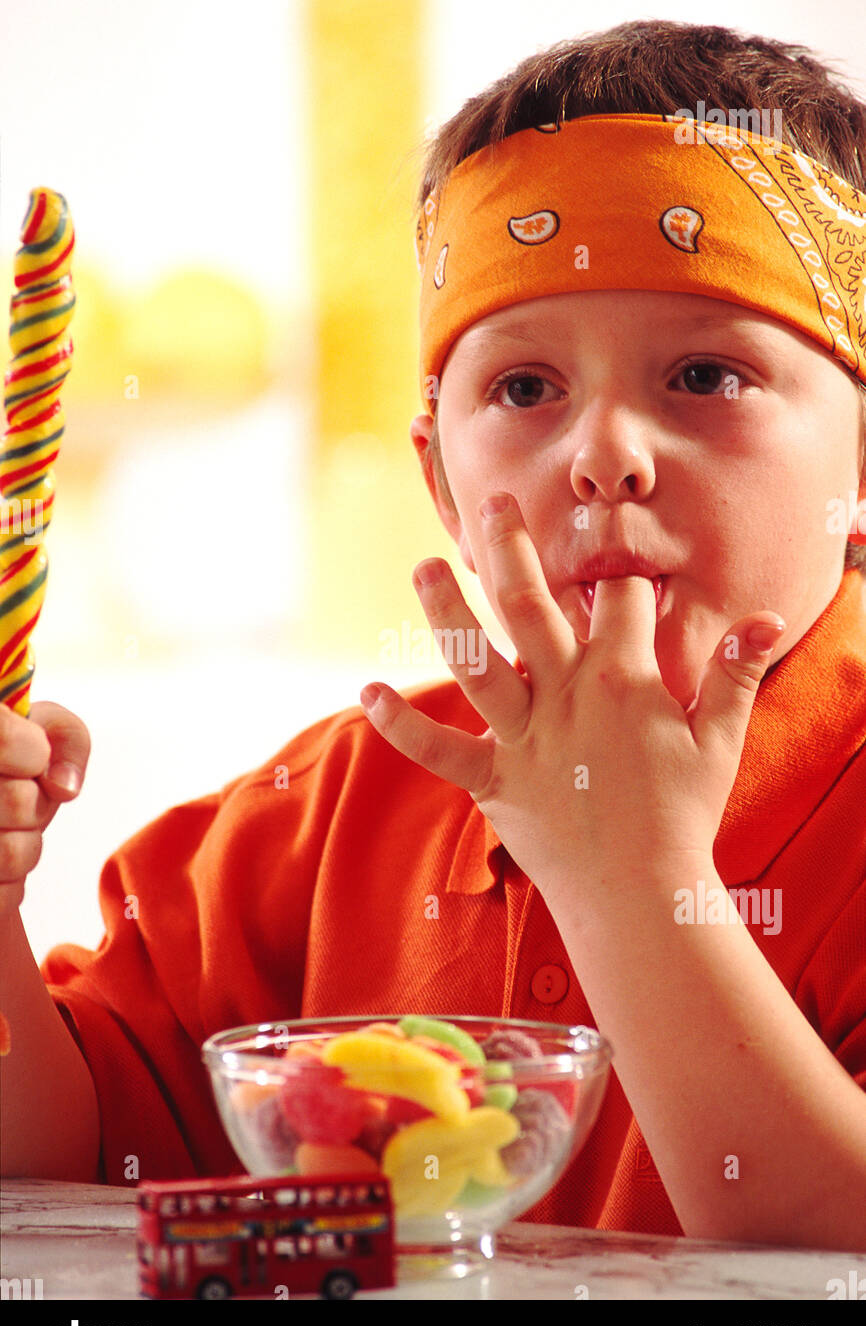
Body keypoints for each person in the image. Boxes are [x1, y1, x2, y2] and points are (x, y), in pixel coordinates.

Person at [2, 19, 866, 1250]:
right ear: (444, 481)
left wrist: (630, 882)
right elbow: (58, 1158)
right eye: (523, 389)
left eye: (704, 377)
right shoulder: (329, 809)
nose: (603, 457)